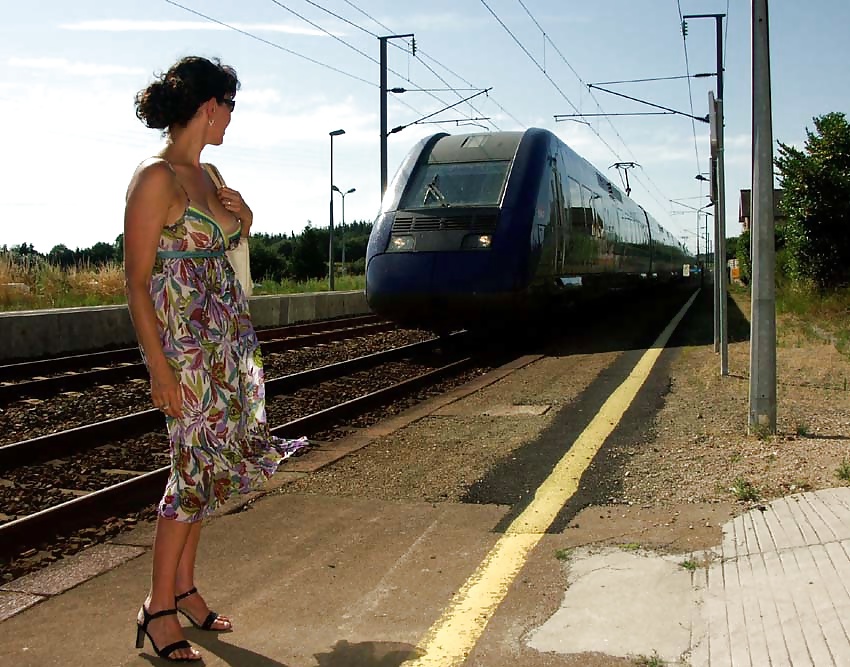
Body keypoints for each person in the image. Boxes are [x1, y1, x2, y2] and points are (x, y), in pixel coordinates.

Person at [124, 56, 307, 662]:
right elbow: (136, 281)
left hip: (224, 346)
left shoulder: (210, 174)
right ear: (210, 106)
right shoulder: (157, 179)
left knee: (208, 472)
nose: (232, 118)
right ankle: (159, 611)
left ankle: (186, 588)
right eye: (231, 105)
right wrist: (159, 367)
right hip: (186, 353)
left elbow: (230, 245)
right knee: (189, 474)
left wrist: (245, 219)